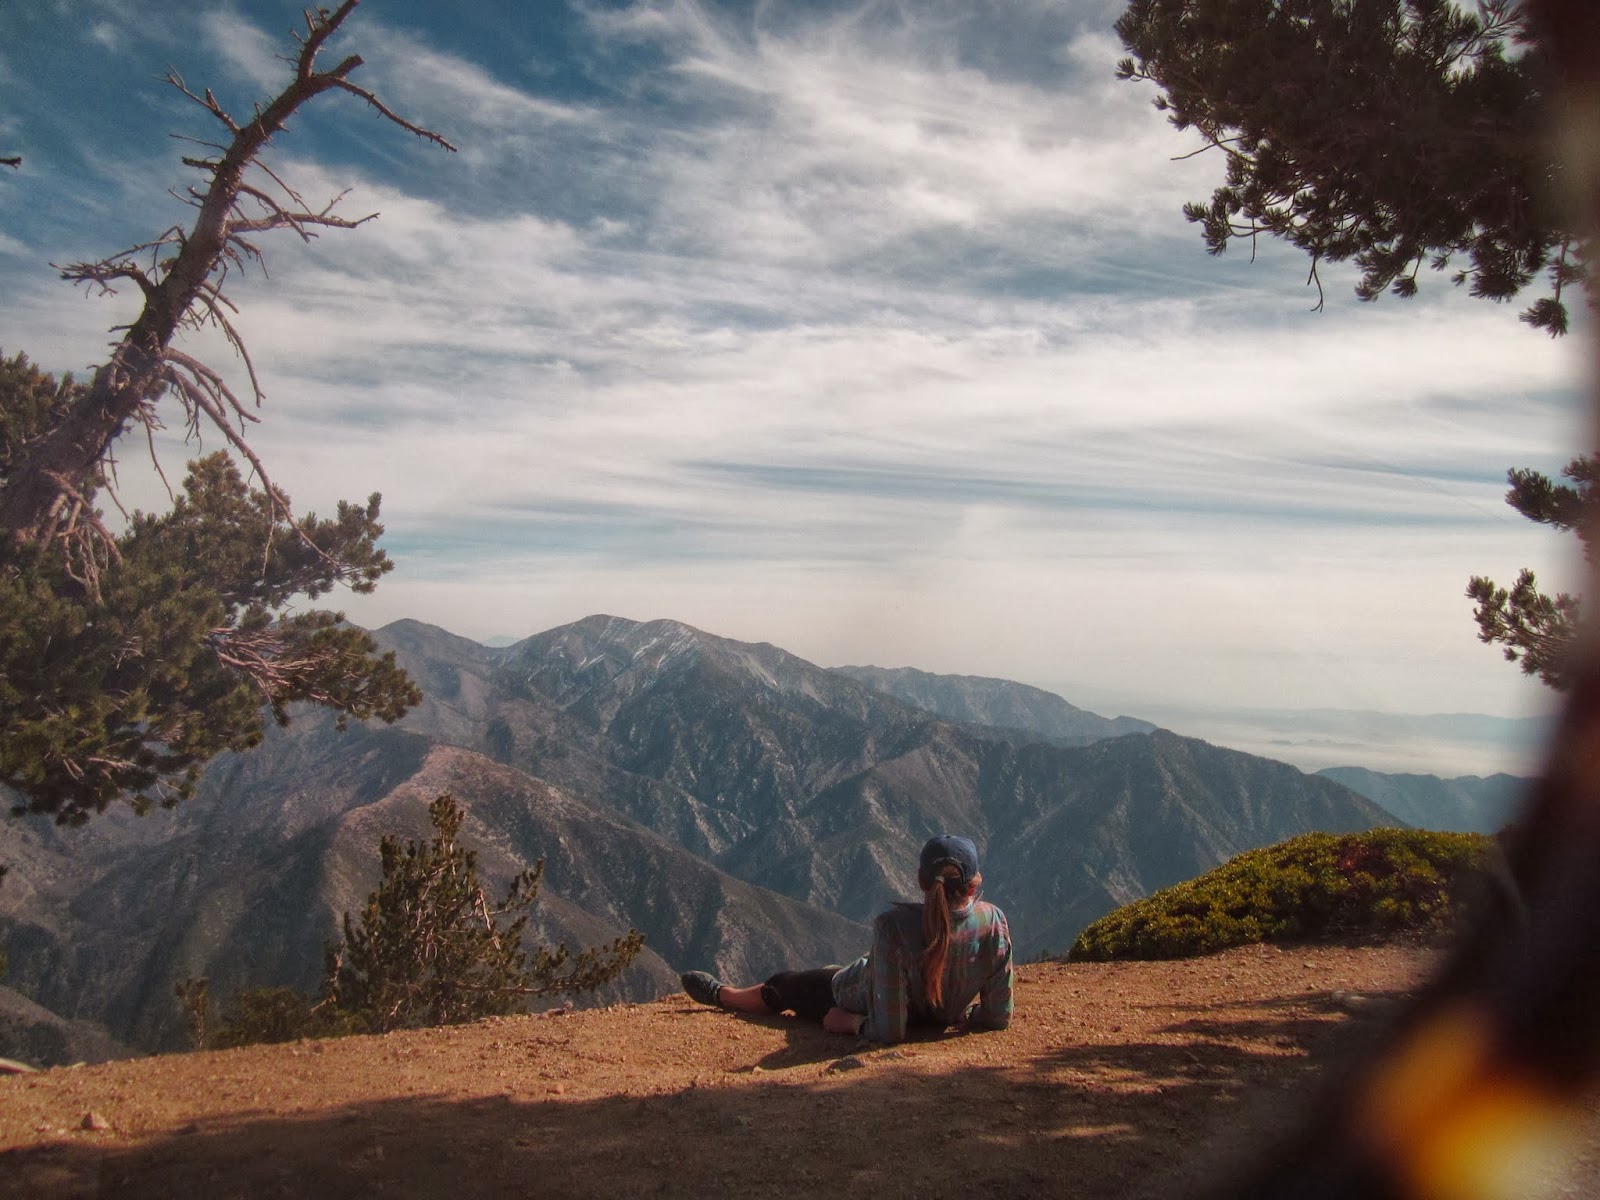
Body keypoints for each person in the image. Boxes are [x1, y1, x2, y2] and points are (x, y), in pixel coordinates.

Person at [680, 834, 1012, 1044]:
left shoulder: (893, 928)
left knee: (788, 984)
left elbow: (890, 1030)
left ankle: (725, 997)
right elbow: (998, 1015)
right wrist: (966, 1014)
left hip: (853, 995)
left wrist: (850, 1022)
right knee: (832, 972)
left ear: (921, 882)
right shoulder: (994, 922)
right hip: (939, 1014)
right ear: (973, 885)